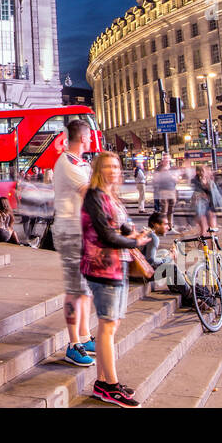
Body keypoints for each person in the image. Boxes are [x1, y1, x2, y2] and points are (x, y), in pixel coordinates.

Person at [81, 152, 140, 407]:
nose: (113, 170)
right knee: (107, 326)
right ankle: (111, 387)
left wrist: (131, 232)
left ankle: (102, 382)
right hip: (102, 266)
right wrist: (134, 241)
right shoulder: (94, 196)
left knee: (111, 326)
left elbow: (120, 225)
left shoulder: (109, 195)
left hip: (116, 264)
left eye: (116, 166)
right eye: (107, 166)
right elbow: (106, 234)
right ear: (97, 169)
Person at [52, 120, 96, 367]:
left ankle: (85, 335)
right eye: (89, 137)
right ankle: (73, 344)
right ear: (82, 138)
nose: (91, 141)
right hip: (70, 233)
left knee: (85, 289)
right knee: (74, 289)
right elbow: (90, 193)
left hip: (83, 231)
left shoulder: (80, 163)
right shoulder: (67, 163)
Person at [189, 163, 219, 239]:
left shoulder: (209, 180)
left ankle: (212, 246)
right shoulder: (195, 181)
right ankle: (203, 247)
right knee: (204, 229)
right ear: (198, 172)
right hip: (200, 207)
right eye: (202, 170)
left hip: (209, 206)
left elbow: (215, 194)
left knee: (213, 229)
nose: (204, 172)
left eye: (204, 170)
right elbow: (197, 192)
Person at [152, 159, 178, 231]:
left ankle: (170, 225)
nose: (167, 161)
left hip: (172, 190)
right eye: (165, 159)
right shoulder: (159, 169)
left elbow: (176, 179)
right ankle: (163, 226)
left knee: (171, 210)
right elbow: (155, 179)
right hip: (163, 191)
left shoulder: (172, 169)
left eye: (168, 160)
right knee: (164, 210)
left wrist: (171, 176)